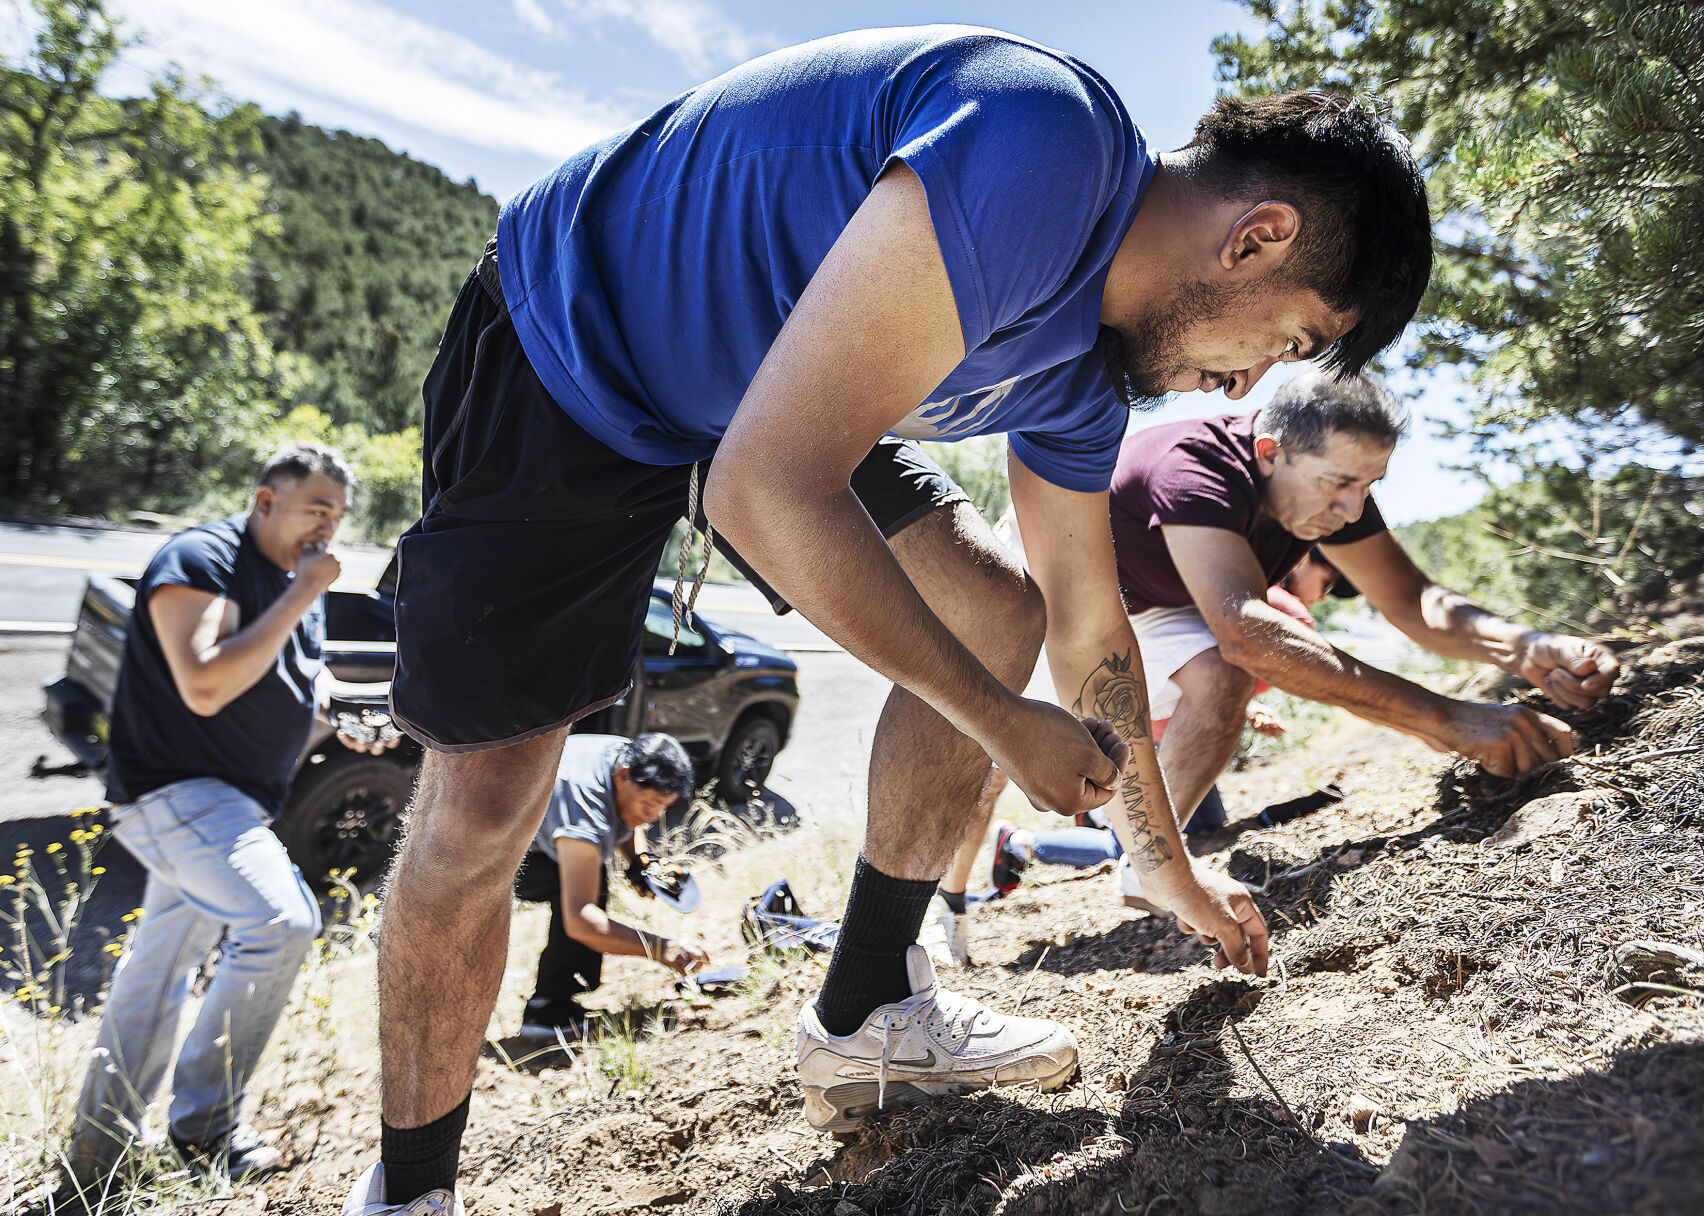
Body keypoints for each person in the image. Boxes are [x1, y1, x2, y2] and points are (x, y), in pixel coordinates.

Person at [346, 27, 1434, 1212]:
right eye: (1290, 341)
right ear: (1257, 236)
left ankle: (864, 1009)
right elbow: (769, 489)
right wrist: (997, 721)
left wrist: (1163, 867)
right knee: (482, 812)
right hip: (575, 356)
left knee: (995, 602)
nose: (1242, 387)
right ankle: (407, 1193)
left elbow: (1089, 628)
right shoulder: (1042, 142)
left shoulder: (1080, 375)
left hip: (770, 389)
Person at [36, 443, 394, 1205]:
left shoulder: (292, 579)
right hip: (179, 794)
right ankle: (204, 1127)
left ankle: (95, 1167)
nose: (329, 526)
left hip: (230, 802)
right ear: (266, 501)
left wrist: (339, 707)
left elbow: (298, 668)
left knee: (153, 978)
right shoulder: (204, 558)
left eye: (338, 513)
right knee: (283, 920)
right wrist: (302, 593)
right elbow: (203, 682)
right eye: (315, 508)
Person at [1105, 367, 1619, 847]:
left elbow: (1412, 599)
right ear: (1269, 453)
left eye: (1369, 484)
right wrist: (1446, 717)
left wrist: (1527, 648)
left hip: (1159, 607)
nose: (1353, 510)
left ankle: (1150, 869)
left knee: (1221, 677)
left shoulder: (1332, 487)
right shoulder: (1194, 466)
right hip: (1072, 600)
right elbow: (1248, 633)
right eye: (1338, 484)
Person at [510, 733, 707, 1045]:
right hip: (499, 854)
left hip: (543, 817)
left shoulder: (624, 754)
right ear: (624, 776)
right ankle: (546, 1014)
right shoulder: (583, 815)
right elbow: (582, 920)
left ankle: (563, 997)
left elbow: (626, 814)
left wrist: (640, 862)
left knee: (591, 878)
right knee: (581, 892)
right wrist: (661, 949)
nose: (652, 817)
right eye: (649, 804)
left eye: (661, 807)